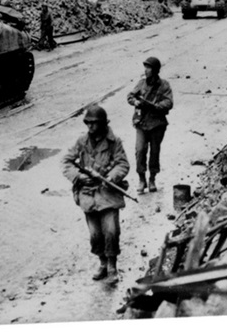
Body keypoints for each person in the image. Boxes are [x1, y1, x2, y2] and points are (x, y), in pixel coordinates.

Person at [61, 105, 130, 285]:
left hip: (108, 193)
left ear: (103, 124)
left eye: (94, 123)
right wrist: (79, 177)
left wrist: (110, 177)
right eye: (88, 123)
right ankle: (102, 263)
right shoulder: (82, 142)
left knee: (111, 231)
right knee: (95, 234)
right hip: (88, 195)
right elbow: (66, 161)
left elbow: (122, 164)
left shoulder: (115, 142)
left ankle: (113, 266)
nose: (90, 127)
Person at [126, 57, 174, 194]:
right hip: (141, 123)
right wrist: (135, 102)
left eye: (149, 68)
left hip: (157, 124)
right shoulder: (141, 84)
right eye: (145, 67)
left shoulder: (164, 85)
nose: (146, 70)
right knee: (140, 151)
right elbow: (130, 96)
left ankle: (152, 178)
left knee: (154, 152)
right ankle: (142, 179)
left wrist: (156, 106)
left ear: (156, 70)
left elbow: (169, 102)